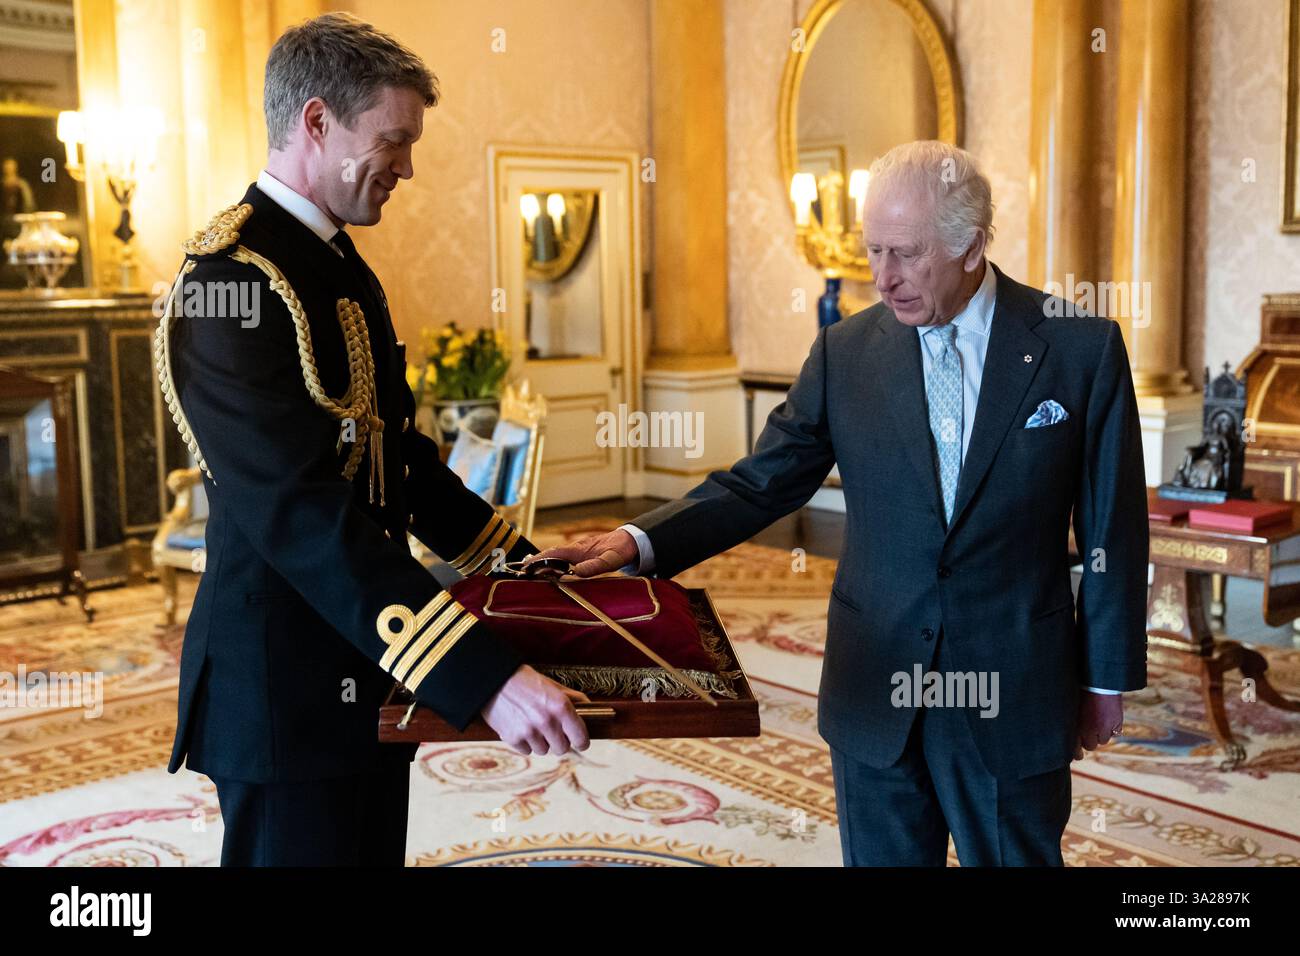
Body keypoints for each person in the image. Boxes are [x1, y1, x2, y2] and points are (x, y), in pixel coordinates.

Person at [534, 140, 1148, 866]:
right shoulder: (845, 352)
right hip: (874, 683)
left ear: (973, 245)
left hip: (1013, 685)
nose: (881, 279)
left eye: (906, 254)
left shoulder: (1080, 348)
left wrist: (1105, 678)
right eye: (872, 251)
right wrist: (636, 542)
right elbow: (760, 482)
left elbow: (1115, 529)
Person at [157, 12, 588, 867]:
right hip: (282, 684)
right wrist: (482, 676)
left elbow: (403, 468)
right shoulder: (229, 283)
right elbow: (300, 512)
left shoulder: (339, 263)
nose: (408, 167)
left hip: (366, 657)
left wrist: (527, 570)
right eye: (393, 140)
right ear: (316, 122)